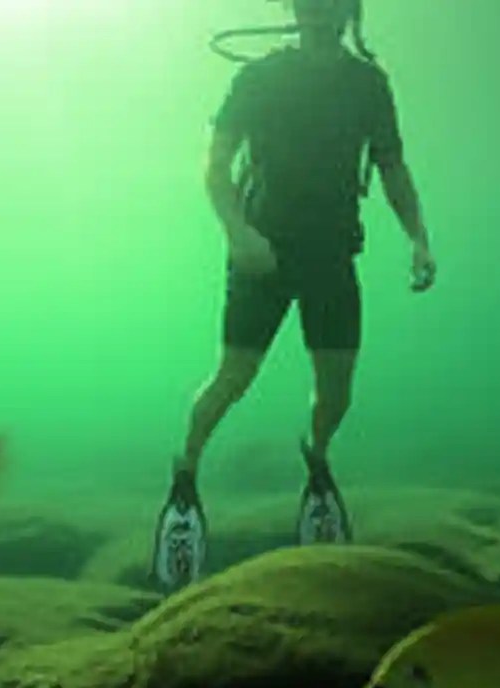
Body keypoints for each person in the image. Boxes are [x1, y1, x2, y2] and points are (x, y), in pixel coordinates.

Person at [151, 0, 435, 592]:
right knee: (232, 378)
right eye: (310, 2)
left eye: (333, 3)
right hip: (262, 253)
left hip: (331, 255)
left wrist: (419, 239)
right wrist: (239, 233)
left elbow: (392, 166)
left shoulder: (367, 84)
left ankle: (317, 457)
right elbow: (214, 166)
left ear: (350, 12)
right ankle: (185, 472)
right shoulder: (257, 77)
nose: (320, 13)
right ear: (293, 8)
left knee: (337, 391)